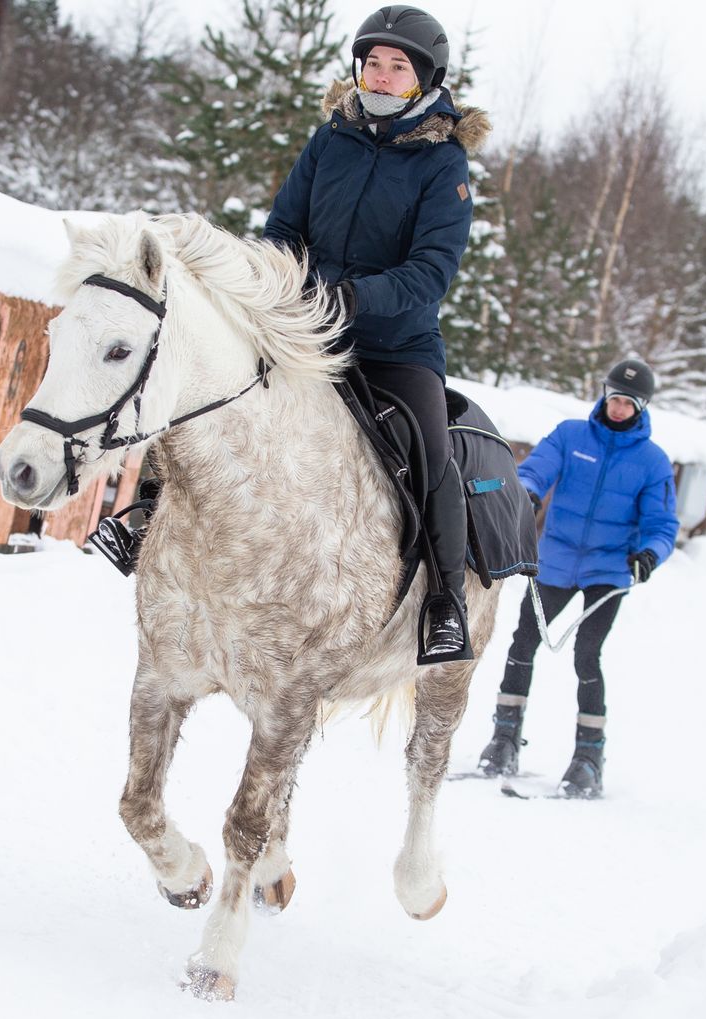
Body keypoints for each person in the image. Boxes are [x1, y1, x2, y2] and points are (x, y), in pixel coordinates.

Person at [263, 5, 491, 663]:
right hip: (311, 326)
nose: (381, 75)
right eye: (372, 63)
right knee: (216, 384)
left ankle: (445, 601)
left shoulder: (443, 165)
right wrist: (275, 276)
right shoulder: (330, 139)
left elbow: (431, 273)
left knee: (431, 452)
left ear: (423, 79)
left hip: (397, 345)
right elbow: (284, 226)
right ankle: (149, 512)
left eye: (398, 67)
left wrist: (355, 295)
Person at [477, 358, 680, 797]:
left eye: (629, 403)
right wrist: (525, 494)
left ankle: (589, 757)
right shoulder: (571, 435)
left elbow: (662, 525)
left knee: (587, 654)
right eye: (615, 398)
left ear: (641, 407)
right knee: (523, 641)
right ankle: (504, 739)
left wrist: (651, 553)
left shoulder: (652, 462)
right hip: (555, 561)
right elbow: (535, 469)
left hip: (608, 570)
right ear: (604, 395)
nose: (620, 408)